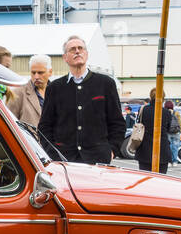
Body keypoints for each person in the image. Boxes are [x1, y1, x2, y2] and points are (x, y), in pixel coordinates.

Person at [38, 35, 126, 164]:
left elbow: (117, 122)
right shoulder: (54, 88)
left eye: (81, 48)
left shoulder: (106, 83)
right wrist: (53, 153)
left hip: (98, 159)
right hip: (64, 160)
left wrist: (111, 151)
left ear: (87, 54)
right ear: (65, 58)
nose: (77, 51)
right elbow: (44, 126)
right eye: (72, 49)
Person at [133, 89, 172, 174]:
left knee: (145, 177)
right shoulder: (167, 112)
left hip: (145, 149)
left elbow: (139, 123)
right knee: (161, 179)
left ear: (150, 97)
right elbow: (168, 129)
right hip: (162, 149)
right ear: (163, 98)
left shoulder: (143, 110)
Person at [10, 54, 49, 126]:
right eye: (33, 73)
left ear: (50, 72)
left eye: (40, 73)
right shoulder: (18, 92)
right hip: (28, 137)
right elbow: (9, 122)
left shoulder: (58, 91)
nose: (36, 77)